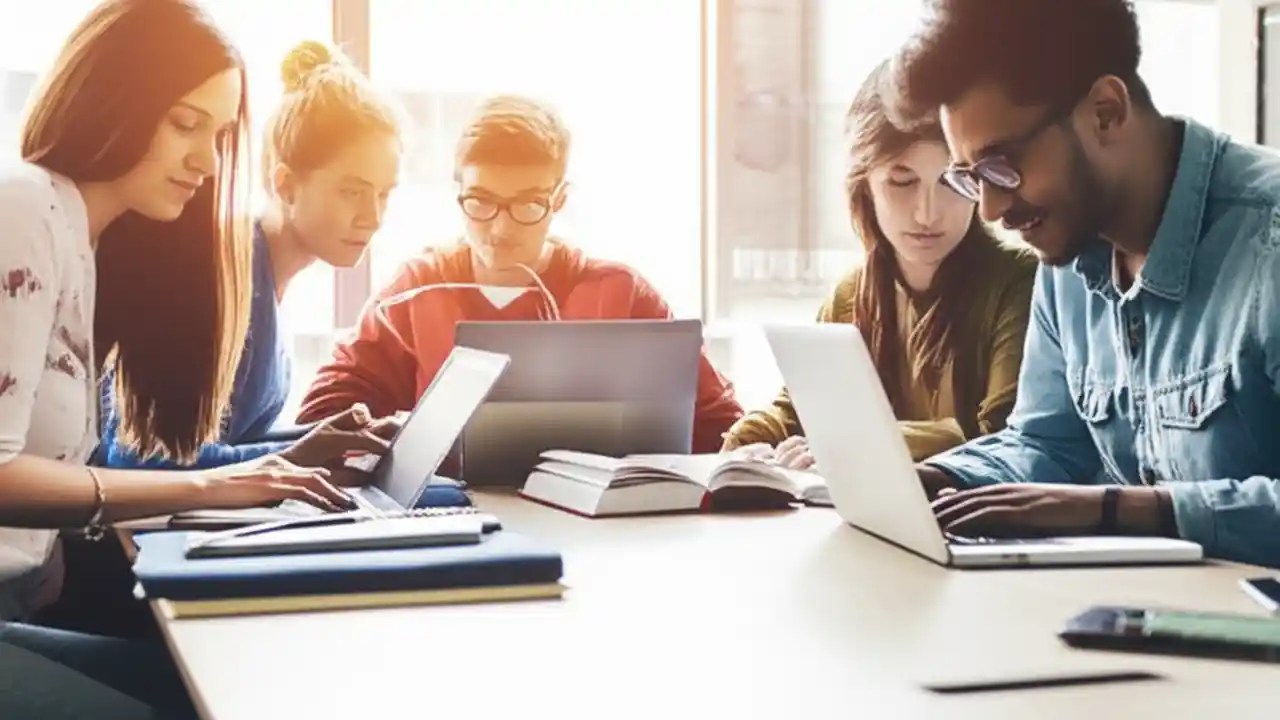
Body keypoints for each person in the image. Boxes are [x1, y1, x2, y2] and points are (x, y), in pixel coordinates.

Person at [0, 2, 386, 717]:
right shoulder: (24, 210)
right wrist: (213, 487)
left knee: (223, 687)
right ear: (108, 99)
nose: (208, 163)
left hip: (18, 609)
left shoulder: (85, 246)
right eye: (186, 124)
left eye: (218, 135)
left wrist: (262, 468)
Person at [890, 0, 1280, 568]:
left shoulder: (1267, 241)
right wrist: (929, 479)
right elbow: (1048, 443)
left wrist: (1116, 508)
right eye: (972, 177)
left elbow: (1087, 499)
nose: (993, 210)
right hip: (1145, 616)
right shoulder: (1067, 249)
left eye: (1002, 165)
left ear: (1105, 112)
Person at [297, 94, 743, 454]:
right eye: (481, 201)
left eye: (529, 205)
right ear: (458, 192)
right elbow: (323, 415)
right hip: (456, 520)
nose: (500, 228)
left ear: (560, 200)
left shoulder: (621, 293)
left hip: (601, 529)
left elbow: (721, 423)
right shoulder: (418, 289)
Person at [96, 39, 403, 470]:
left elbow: (233, 441)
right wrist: (297, 455)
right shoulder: (212, 277)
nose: (372, 218)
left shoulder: (266, 276)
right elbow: (136, 458)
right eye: (352, 192)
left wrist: (337, 439)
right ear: (285, 185)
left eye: (384, 195)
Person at [721, 61, 1035, 467]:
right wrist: (738, 448)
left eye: (954, 182)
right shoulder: (852, 295)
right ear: (864, 184)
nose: (927, 213)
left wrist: (861, 443)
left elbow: (1006, 436)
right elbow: (795, 412)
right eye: (901, 182)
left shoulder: (1019, 283)